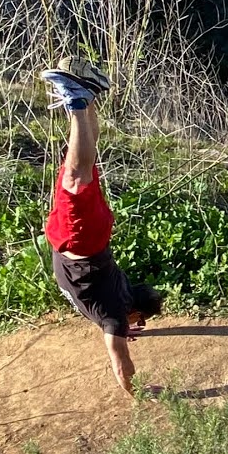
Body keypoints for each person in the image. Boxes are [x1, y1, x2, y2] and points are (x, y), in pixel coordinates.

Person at [40, 56, 161, 396]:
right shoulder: (113, 314)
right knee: (78, 176)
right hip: (80, 241)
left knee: (81, 165)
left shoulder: (119, 297)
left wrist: (124, 322)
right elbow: (119, 358)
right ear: (134, 312)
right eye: (140, 320)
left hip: (85, 239)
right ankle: (78, 101)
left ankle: (88, 98)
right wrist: (136, 391)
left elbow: (120, 315)